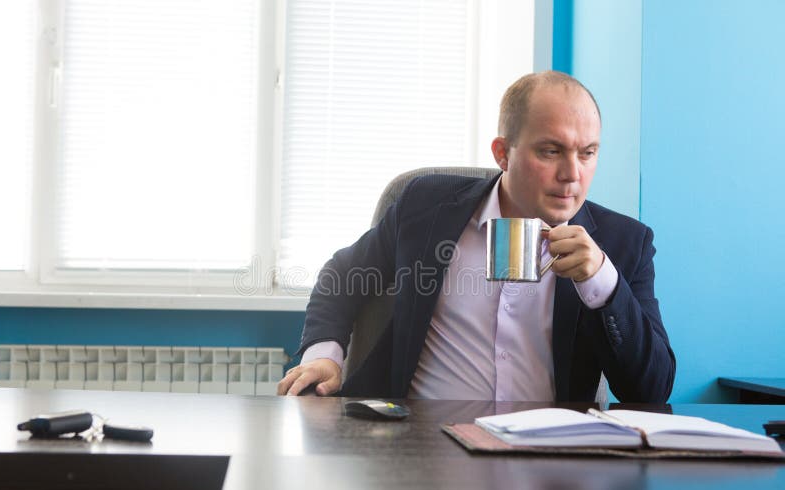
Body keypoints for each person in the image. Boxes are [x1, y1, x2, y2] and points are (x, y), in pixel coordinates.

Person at [277, 71, 675, 402]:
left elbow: (652, 391)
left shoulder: (624, 244)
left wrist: (602, 282)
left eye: (587, 153)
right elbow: (342, 275)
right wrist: (324, 356)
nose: (572, 174)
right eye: (551, 151)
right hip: (415, 449)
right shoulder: (426, 207)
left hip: (547, 458)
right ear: (502, 153)